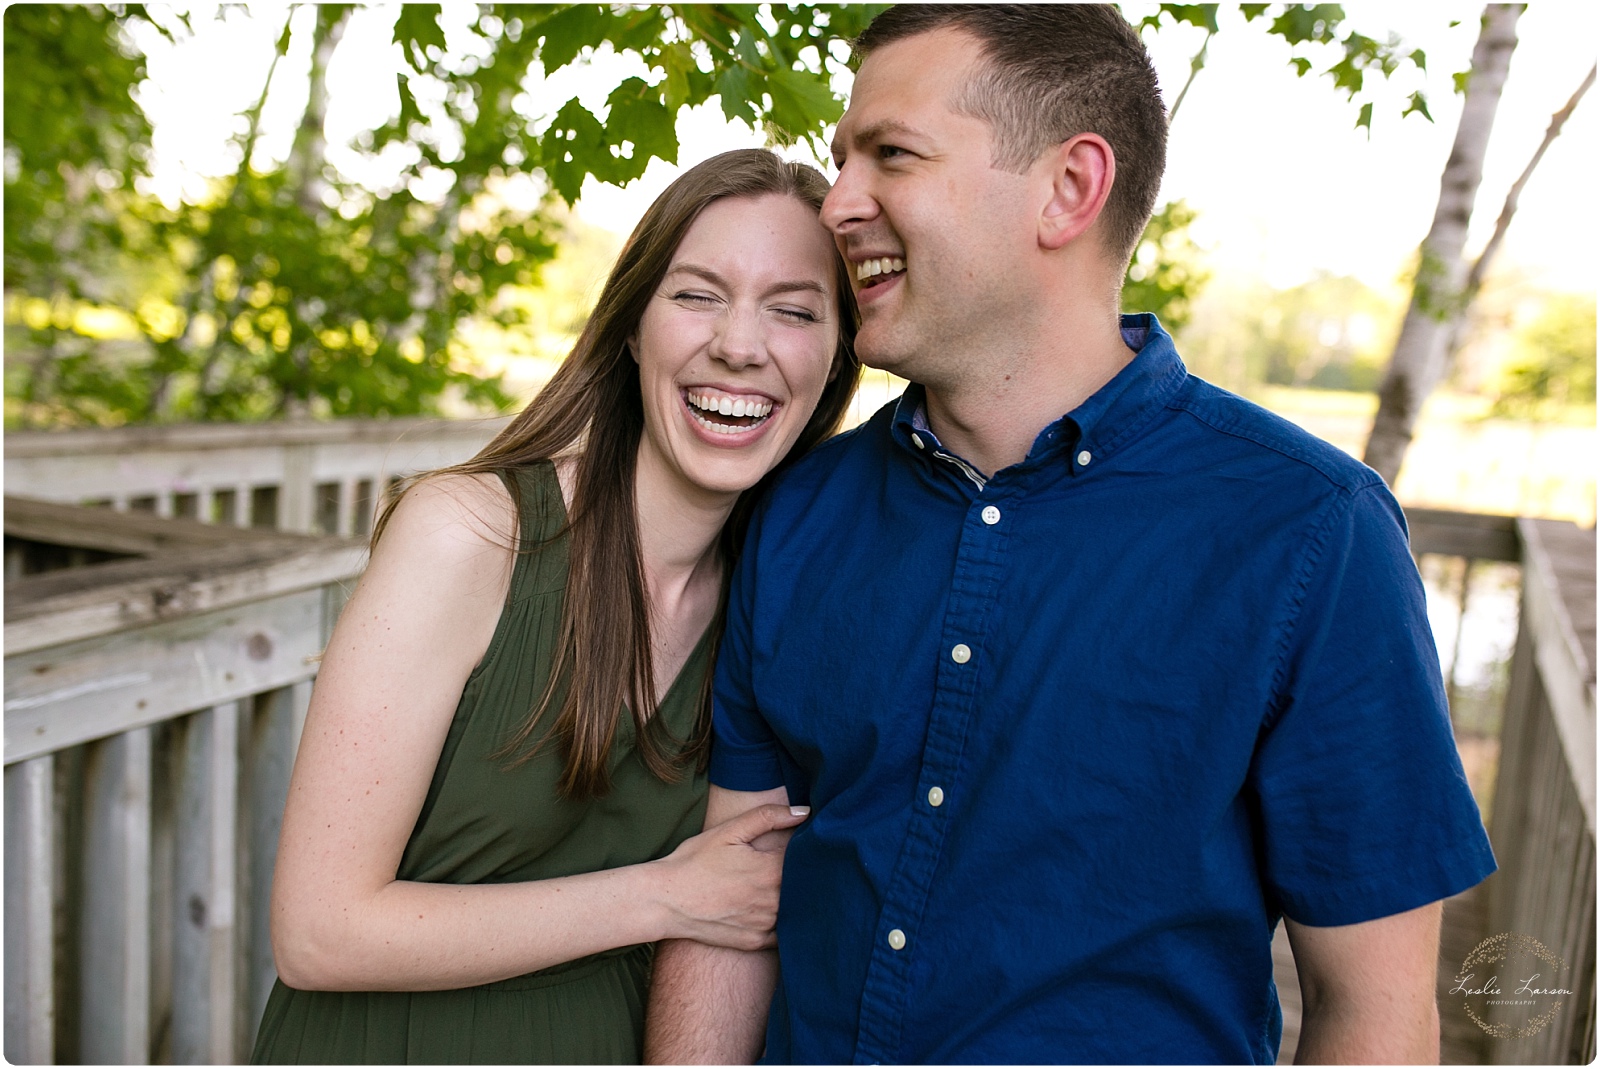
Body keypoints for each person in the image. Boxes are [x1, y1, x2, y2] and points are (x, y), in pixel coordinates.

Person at [645, 7, 1496, 1064]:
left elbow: (1372, 1015)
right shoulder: (797, 513)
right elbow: (731, 912)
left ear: (1069, 190)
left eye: (891, 156)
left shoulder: (1308, 534)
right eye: (841, 161)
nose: (840, 203)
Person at [250, 148, 860, 1065]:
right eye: (697, 294)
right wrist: (663, 893)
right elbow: (319, 930)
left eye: (794, 309)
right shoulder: (467, 535)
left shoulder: (778, 599)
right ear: (630, 328)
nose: (741, 343)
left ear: (837, 358)